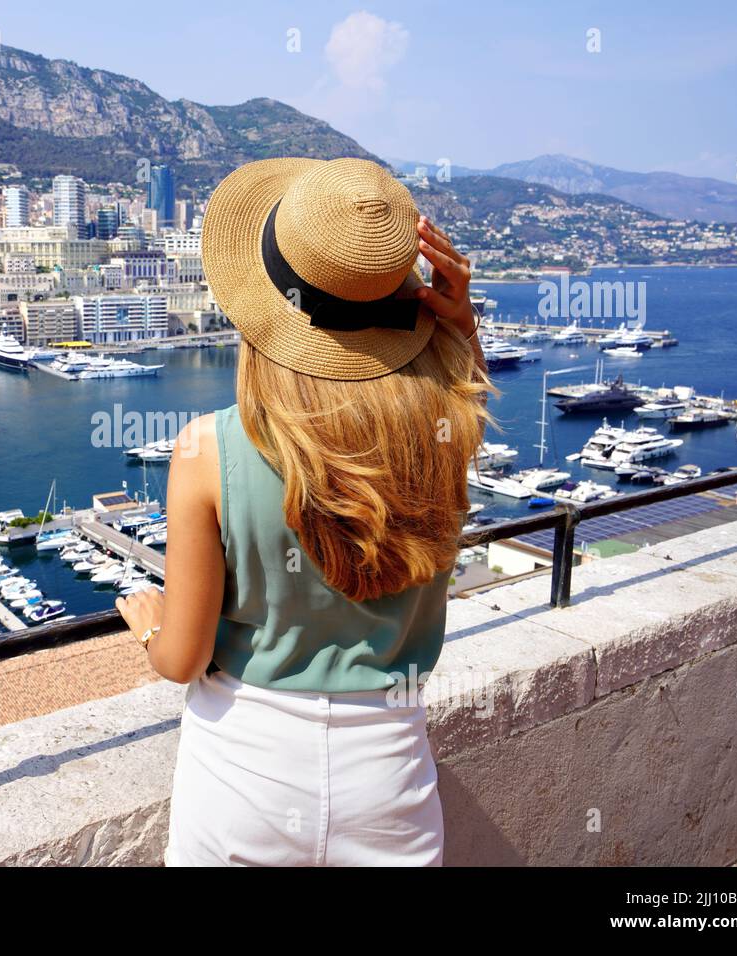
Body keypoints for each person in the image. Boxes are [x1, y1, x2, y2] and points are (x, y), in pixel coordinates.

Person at [115, 157, 493, 866]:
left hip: (240, 776)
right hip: (388, 779)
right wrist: (461, 327)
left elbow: (183, 658)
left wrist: (151, 625)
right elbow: (466, 396)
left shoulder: (207, 451)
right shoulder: (442, 436)